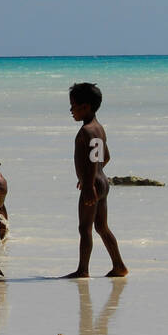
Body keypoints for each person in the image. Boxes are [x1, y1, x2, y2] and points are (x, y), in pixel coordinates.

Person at [60, 82, 127, 278]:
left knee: (85, 228)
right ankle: (118, 266)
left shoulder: (86, 131)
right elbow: (105, 157)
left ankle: (83, 270)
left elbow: (94, 159)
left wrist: (88, 183)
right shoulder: (99, 129)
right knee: (101, 227)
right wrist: (93, 175)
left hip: (93, 185)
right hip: (102, 182)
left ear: (86, 106)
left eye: (73, 105)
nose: (71, 110)